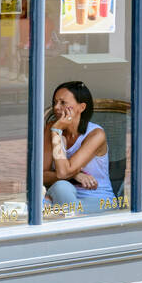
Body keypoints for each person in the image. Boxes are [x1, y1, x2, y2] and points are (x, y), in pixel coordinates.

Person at [43, 80, 115, 213]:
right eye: (55, 102)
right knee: (60, 189)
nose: (56, 107)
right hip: (63, 197)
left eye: (63, 103)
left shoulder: (96, 134)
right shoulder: (51, 128)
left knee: (59, 190)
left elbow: (63, 172)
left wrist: (56, 132)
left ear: (81, 107)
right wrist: (75, 175)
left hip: (97, 199)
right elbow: (41, 175)